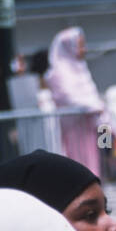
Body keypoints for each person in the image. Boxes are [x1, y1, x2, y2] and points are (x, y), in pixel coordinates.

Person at [45, 26, 104, 176]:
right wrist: (92, 106)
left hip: (88, 127)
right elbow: (68, 97)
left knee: (92, 163)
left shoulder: (80, 68)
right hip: (72, 128)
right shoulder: (57, 72)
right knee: (77, 164)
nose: (83, 49)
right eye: (80, 45)